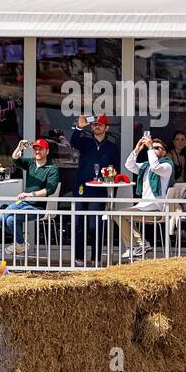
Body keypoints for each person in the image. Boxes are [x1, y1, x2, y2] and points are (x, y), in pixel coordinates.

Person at [68, 114, 121, 266]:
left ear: (106, 127)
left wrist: (112, 198)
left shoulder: (112, 147)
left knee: (95, 226)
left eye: (100, 125)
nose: (96, 127)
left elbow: (115, 173)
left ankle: (96, 258)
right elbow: (74, 141)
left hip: (99, 192)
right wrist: (79, 127)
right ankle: (78, 258)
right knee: (78, 225)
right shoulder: (85, 141)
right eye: (94, 125)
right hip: (81, 189)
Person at [0, 138, 59, 254]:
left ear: (47, 151)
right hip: (24, 203)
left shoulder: (52, 169)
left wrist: (30, 195)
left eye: (41, 149)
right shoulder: (31, 163)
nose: (37, 152)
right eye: (35, 149)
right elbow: (14, 160)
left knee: (11, 220)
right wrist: (19, 148)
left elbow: (50, 189)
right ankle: (21, 243)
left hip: (38, 208)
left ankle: (20, 244)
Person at [119, 135, 174, 260]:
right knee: (118, 214)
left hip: (155, 208)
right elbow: (129, 165)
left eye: (157, 148)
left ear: (164, 152)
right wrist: (137, 149)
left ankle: (139, 245)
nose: (153, 150)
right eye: (152, 148)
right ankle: (139, 244)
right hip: (144, 207)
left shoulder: (166, 166)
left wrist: (149, 147)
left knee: (120, 214)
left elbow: (156, 167)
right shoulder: (146, 166)